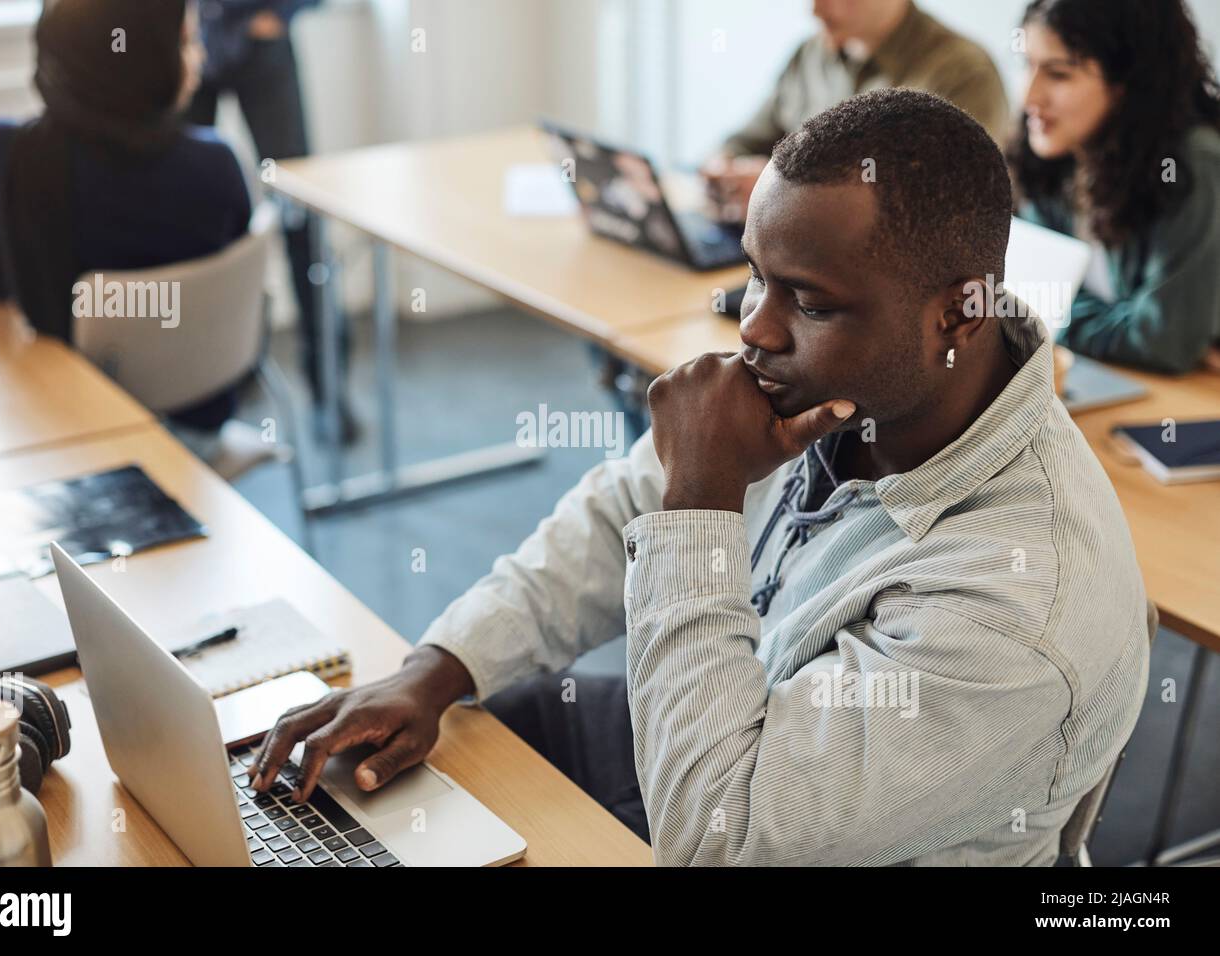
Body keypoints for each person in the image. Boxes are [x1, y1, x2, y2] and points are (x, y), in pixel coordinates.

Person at [249, 90, 1151, 866]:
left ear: (958, 313)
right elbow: (618, 515)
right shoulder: (851, 392)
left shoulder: (1021, 603)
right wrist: (434, 669)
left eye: (810, 301)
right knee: (440, 745)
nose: (756, 330)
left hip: (760, 817)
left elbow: (722, 835)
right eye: (757, 278)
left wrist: (701, 503)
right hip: (726, 728)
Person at [0, 0, 274, 477]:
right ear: (145, 57)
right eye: (186, 41)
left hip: (61, 445)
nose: (200, 56)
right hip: (198, 433)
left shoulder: (3, 155)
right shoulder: (218, 165)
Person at [1010, 0, 1220, 374]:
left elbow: (1162, 339)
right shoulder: (1053, 155)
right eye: (1027, 65)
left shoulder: (1192, 165)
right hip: (1104, 371)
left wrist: (1054, 315)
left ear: (1127, 81)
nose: (1029, 97)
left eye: (1058, 74)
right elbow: (1030, 295)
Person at [187, 0, 358, 441]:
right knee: (187, 213)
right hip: (183, 41)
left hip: (259, 39)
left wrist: (281, 14)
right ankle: (212, 378)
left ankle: (329, 386)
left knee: (299, 210)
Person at [704, 0, 1009, 223]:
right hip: (785, 256)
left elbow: (948, 205)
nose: (814, 9)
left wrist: (782, 191)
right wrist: (724, 169)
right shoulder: (809, 55)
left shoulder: (963, 74)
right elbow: (746, 140)